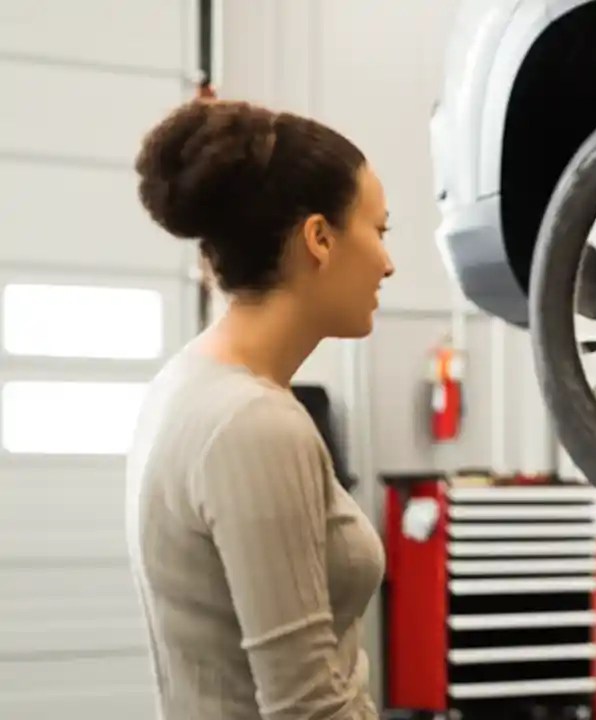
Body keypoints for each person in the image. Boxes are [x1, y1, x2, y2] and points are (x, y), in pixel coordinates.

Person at [124, 97, 394, 719]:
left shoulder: (188, 383)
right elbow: (307, 708)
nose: (387, 262)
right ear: (319, 238)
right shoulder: (253, 424)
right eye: (378, 231)